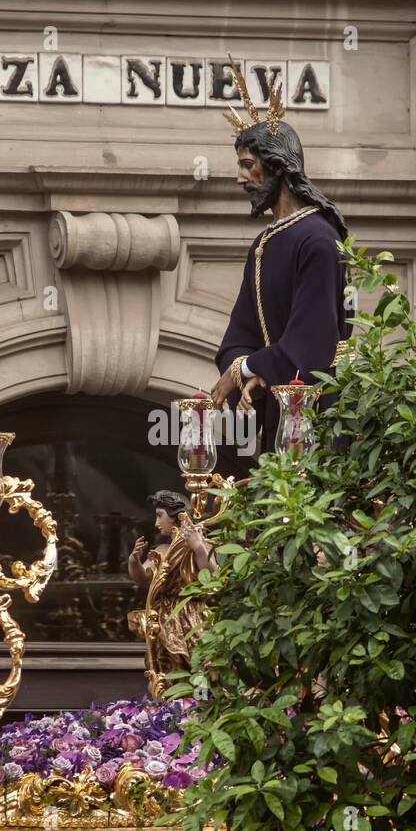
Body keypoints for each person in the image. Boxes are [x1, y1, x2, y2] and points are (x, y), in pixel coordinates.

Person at [209, 64, 351, 454]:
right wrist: (244, 371)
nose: (240, 178)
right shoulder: (264, 244)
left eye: (246, 165)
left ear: (276, 167)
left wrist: (249, 369)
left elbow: (312, 342)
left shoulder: (318, 240)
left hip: (320, 412)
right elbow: (238, 337)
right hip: (279, 409)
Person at [127, 490, 217, 697]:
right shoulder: (162, 550)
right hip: (167, 618)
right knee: (169, 665)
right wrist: (134, 560)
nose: (156, 523)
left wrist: (199, 548)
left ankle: (198, 705)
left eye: (160, 515)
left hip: (195, 616)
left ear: (177, 516)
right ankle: (172, 708)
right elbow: (141, 577)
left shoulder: (202, 546)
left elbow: (213, 577)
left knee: (199, 663)